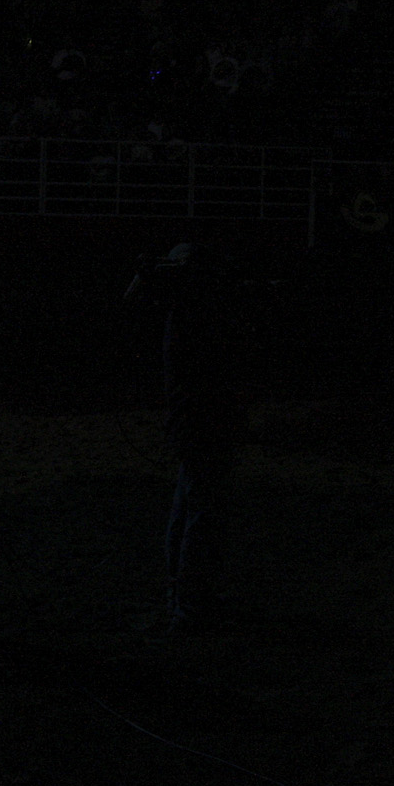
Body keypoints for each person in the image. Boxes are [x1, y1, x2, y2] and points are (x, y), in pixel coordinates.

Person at [125, 243, 258, 635]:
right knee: (202, 512)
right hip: (204, 422)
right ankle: (190, 602)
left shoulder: (184, 310)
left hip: (192, 422)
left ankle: (185, 596)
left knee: (190, 507)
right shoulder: (201, 314)